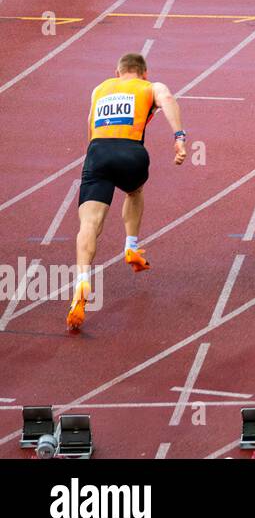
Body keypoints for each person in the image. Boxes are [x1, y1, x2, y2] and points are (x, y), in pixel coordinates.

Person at [66, 53, 187, 331]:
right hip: (132, 153)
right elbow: (167, 99)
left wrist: (93, 160)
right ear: (144, 72)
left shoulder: (100, 89)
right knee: (134, 191)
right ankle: (131, 245)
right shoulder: (150, 87)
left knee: (89, 223)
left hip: (98, 152)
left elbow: (90, 123)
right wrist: (179, 138)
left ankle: (82, 279)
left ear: (117, 72)